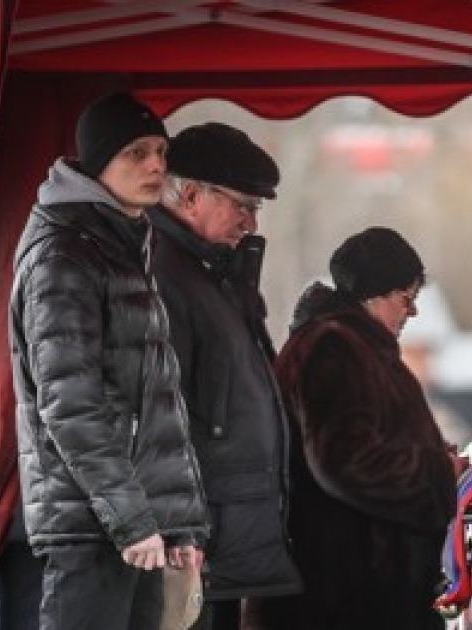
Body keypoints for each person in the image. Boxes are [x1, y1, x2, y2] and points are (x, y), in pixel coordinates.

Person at [9, 91, 208, 630]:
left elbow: (154, 403)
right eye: (136, 153)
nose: (155, 166)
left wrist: (178, 526)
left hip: (131, 527)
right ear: (99, 164)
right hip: (94, 528)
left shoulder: (120, 244)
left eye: (161, 151)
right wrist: (134, 521)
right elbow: (71, 406)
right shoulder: (64, 254)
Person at [245, 227, 466, 630]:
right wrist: (435, 471)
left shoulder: (344, 344)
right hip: (345, 594)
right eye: (406, 297)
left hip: (349, 590)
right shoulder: (336, 349)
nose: (412, 312)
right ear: (375, 292)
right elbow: (346, 461)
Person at [148, 122, 302, 629]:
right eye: (244, 205)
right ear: (191, 195)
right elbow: (164, 420)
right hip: (198, 542)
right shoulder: (164, 277)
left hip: (219, 533)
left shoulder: (213, 276)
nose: (252, 224)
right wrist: (183, 536)